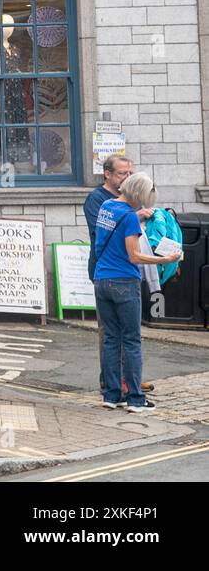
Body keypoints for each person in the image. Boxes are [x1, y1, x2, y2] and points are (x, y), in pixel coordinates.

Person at [91, 173, 182, 411]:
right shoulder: (130, 218)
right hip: (124, 282)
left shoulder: (106, 207)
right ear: (139, 194)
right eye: (145, 198)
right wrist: (166, 258)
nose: (145, 204)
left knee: (111, 339)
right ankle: (135, 398)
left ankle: (111, 395)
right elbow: (134, 256)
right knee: (131, 340)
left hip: (102, 279)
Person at [83, 155, 154, 396]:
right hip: (109, 270)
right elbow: (100, 233)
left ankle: (128, 380)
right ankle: (114, 383)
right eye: (123, 173)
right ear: (108, 174)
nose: (128, 177)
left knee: (125, 331)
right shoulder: (98, 200)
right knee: (112, 333)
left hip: (126, 271)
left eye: (130, 173)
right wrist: (136, 217)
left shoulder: (128, 201)